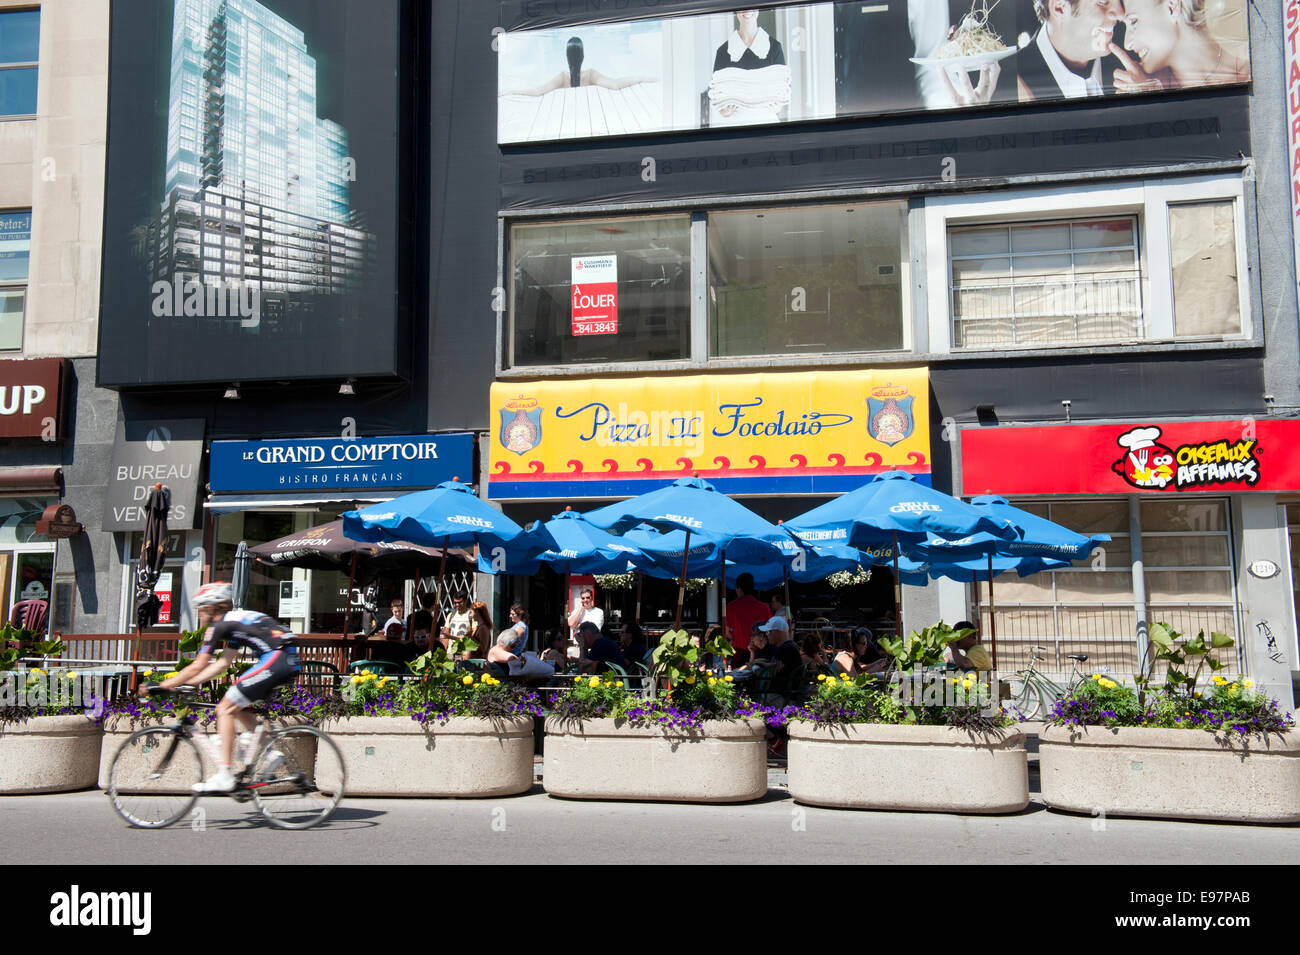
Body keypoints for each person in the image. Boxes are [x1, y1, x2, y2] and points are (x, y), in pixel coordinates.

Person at [144, 582, 300, 793]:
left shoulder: (219, 626)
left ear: (210, 607)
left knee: (224, 709)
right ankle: (270, 754)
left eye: (200, 609)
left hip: (276, 658)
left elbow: (198, 665)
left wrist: (162, 685)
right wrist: (191, 683)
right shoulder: (234, 623)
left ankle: (225, 774)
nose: (199, 615)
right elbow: (223, 663)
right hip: (284, 659)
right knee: (238, 706)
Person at [1115, 0, 1249, 92]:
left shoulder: (1249, 58)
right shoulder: (1144, 87)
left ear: (1172, 7)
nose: (1127, 44)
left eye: (1133, 21)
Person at [1017, 0, 1124, 102]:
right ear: (1059, 8)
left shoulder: (1134, 53)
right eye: (1103, 2)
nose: (1121, 14)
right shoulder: (1009, 82)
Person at [708, 9, 790, 127]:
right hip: (734, 127)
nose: (747, 11)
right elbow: (718, 98)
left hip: (766, 124)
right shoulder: (723, 52)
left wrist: (777, 107)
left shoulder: (774, 48)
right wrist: (725, 111)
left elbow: (781, 94)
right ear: (736, 10)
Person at [501, 36, 656, 97]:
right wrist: (641, 78)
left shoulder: (562, 77)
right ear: (583, 56)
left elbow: (538, 91)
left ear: (566, 57)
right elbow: (615, 84)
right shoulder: (590, 75)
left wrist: (511, 90)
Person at [724, 573, 770, 661]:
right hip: (761, 653)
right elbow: (770, 632)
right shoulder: (764, 607)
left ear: (739, 588)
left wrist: (737, 637)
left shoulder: (731, 607)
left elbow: (726, 632)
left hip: (739, 652)